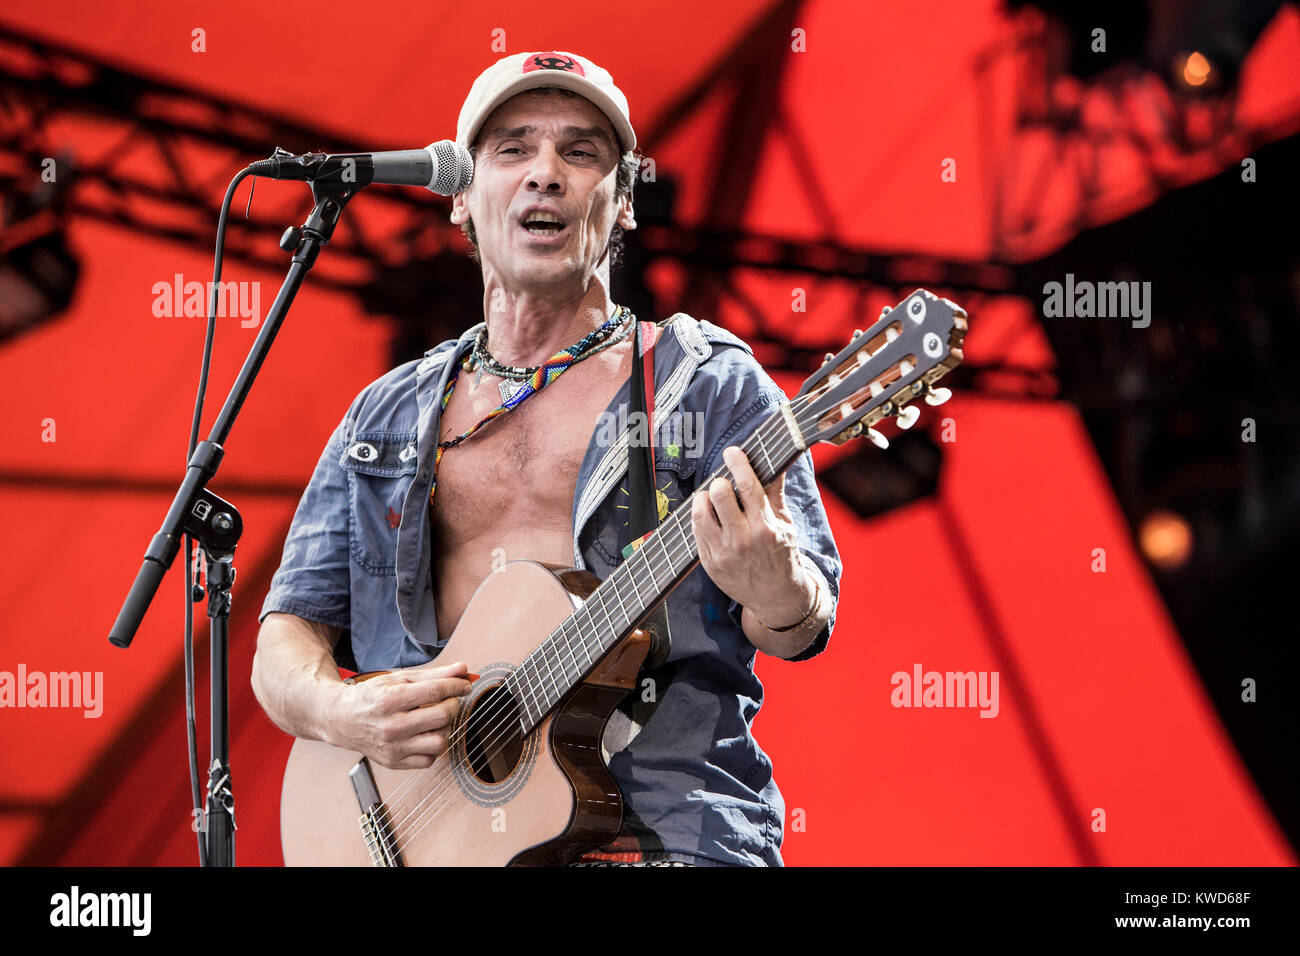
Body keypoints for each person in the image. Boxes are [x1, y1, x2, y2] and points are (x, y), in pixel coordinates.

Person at [251, 50, 842, 867]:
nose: (546, 174)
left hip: (661, 840)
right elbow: (284, 639)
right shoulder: (385, 414)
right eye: (513, 149)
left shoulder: (705, 383)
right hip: (424, 838)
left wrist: (772, 582)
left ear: (623, 203)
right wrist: (338, 712)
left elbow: (801, 625)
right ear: (461, 197)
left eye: (581, 152)